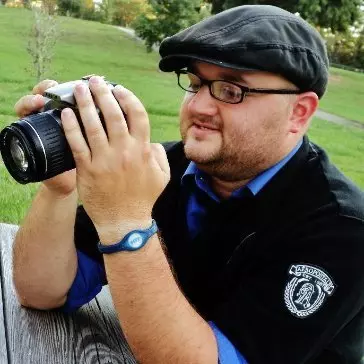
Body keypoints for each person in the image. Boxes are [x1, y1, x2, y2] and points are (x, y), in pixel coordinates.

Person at [12, 4, 364, 364]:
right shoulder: (163, 171)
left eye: (230, 91)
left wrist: (126, 222)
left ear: (299, 112)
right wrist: (60, 189)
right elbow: (42, 290)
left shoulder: (342, 228)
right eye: (195, 84)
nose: (199, 106)